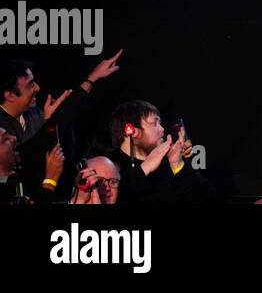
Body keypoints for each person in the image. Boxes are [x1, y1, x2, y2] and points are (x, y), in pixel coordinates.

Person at [1, 52, 122, 192]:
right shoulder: (2, 130)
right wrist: (51, 123)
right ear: (9, 95)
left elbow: (65, 152)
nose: (38, 88)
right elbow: (32, 153)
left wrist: (54, 123)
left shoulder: (35, 114)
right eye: (30, 85)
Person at [110, 100, 213, 204]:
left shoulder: (167, 160)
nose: (162, 129)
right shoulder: (109, 165)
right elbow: (115, 196)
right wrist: (145, 168)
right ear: (132, 130)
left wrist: (177, 164)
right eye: (155, 123)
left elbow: (206, 196)